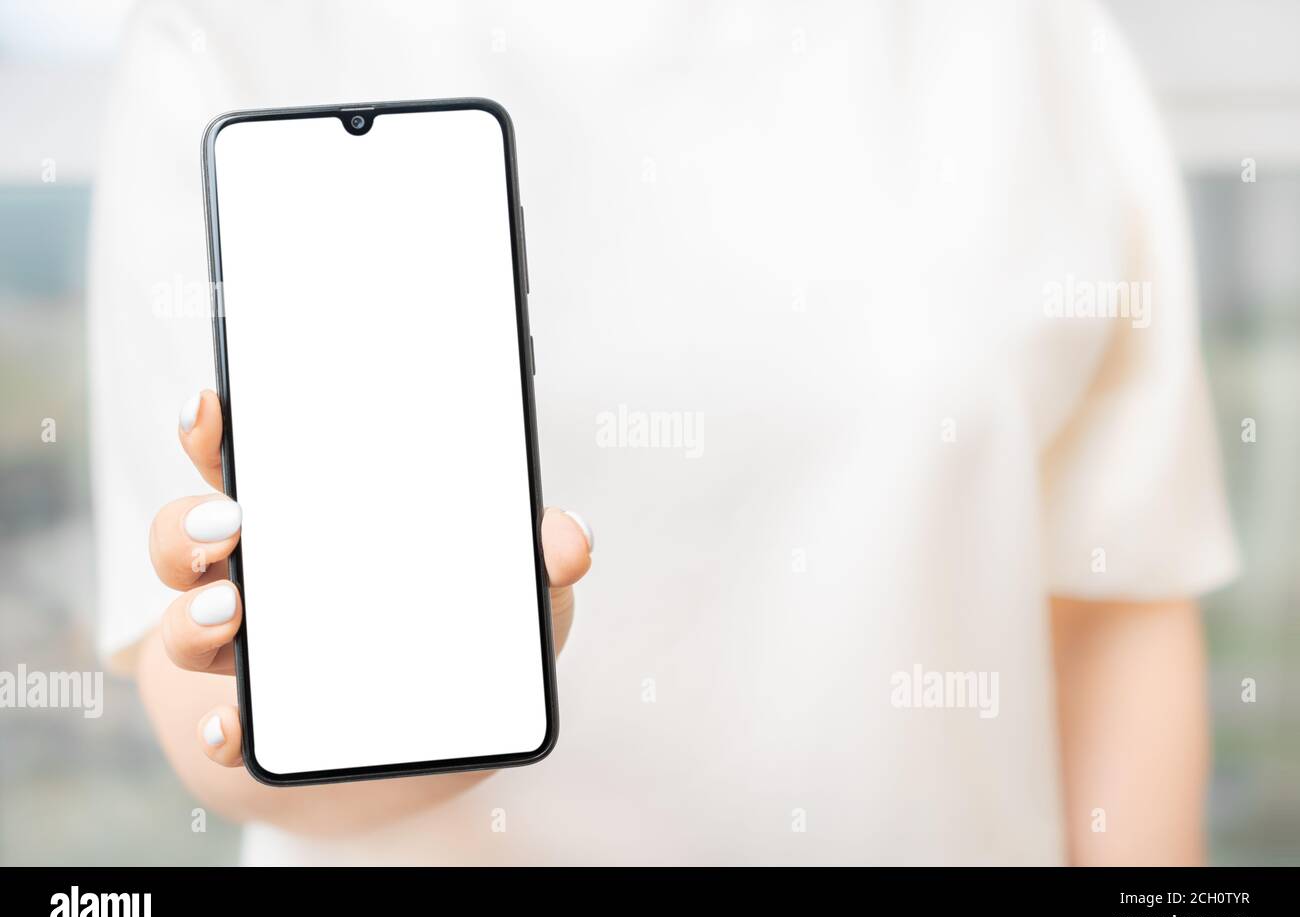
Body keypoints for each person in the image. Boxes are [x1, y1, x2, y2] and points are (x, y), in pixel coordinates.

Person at [89, 0, 1238, 865]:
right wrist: (427, 699)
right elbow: (207, 710)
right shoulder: (229, 29)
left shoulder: (1019, 34)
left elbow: (1111, 603)